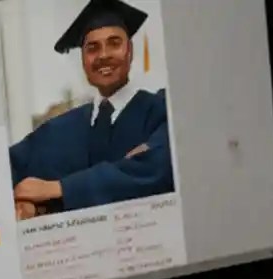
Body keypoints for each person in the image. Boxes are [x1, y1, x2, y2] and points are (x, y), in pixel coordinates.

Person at [10, 0, 175, 219]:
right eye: (92, 48)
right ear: (83, 60)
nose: (103, 55)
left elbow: (158, 169)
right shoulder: (60, 129)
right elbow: (7, 170)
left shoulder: (162, 111)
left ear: (130, 51)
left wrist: (59, 189)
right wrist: (25, 205)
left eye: (114, 43)